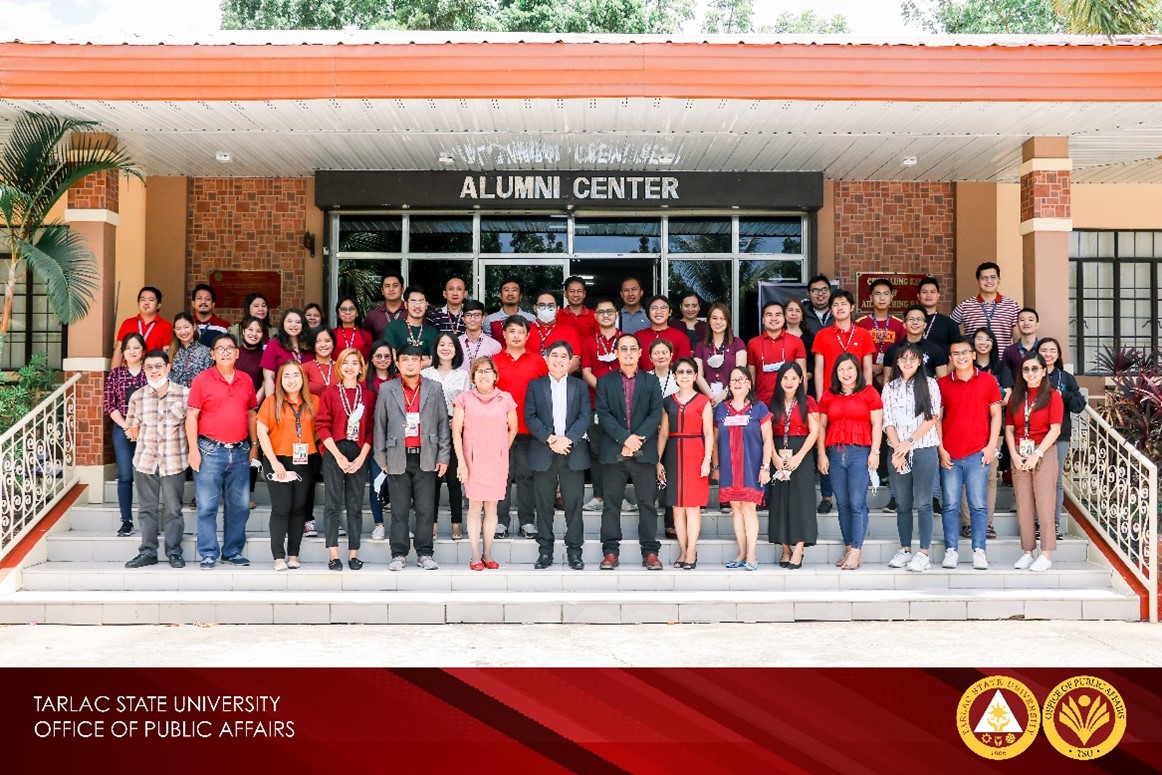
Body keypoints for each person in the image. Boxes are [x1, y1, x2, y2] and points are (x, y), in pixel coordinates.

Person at [373, 344, 451, 572]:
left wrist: (444, 456)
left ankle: (425, 553)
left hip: (426, 456)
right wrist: (381, 457)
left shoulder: (434, 388)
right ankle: (398, 554)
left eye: (414, 359)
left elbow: (442, 424)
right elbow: (379, 425)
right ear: (397, 364)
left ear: (422, 363)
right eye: (405, 359)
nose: (409, 363)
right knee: (399, 509)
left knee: (426, 509)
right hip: (396, 457)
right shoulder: (388, 389)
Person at [186, 334, 259, 570]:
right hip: (209, 450)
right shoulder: (202, 380)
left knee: (238, 506)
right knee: (207, 506)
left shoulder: (246, 380)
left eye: (230, 348)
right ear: (213, 354)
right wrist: (193, 450)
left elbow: (251, 414)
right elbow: (192, 416)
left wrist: (254, 446)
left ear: (237, 353)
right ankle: (208, 553)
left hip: (240, 451)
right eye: (221, 348)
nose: (226, 352)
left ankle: (232, 551)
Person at [594, 334, 664, 570]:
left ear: (640, 352)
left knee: (647, 503)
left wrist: (636, 441)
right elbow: (603, 414)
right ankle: (611, 552)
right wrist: (625, 439)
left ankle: (650, 552)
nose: (628, 353)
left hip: (644, 453)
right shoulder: (605, 382)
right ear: (616, 353)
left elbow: (655, 415)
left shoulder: (651, 382)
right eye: (623, 349)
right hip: (614, 451)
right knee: (611, 504)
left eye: (632, 348)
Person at [525, 342, 592, 570]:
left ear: (571, 361)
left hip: (573, 452)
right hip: (544, 451)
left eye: (564, 356)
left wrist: (567, 439)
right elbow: (530, 416)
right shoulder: (535, 385)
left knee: (574, 504)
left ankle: (575, 552)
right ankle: (545, 551)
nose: (559, 360)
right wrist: (552, 439)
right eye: (554, 355)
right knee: (543, 505)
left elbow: (585, 416)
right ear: (546, 358)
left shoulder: (579, 386)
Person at [938, 337, 1004, 571]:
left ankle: (979, 551)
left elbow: (996, 415)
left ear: (973, 354)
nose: (961, 357)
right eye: (956, 353)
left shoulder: (988, 381)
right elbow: (937, 418)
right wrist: (940, 448)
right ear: (950, 358)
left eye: (965, 352)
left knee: (978, 505)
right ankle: (951, 551)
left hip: (978, 453)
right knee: (950, 505)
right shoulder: (942, 384)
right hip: (951, 455)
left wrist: (991, 446)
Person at [123, 350, 189, 569]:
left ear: (168, 367)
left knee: (173, 509)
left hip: (174, 460)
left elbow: (193, 427)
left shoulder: (184, 394)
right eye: (149, 367)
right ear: (144, 370)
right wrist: (135, 432)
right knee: (146, 509)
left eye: (158, 366)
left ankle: (174, 552)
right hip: (145, 460)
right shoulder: (137, 396)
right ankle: (148, 552)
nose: (154, 371)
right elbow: (131, 429)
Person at [816, 354, 883, 570]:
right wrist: (822, 454)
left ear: (857, 370)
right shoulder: (829, 395)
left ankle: (856, 550)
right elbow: (822, 427)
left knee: (856, 502)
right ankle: (848, 548)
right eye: (841, 369)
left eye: (850, 368)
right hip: (835, 454)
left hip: (860, 452)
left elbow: (876, 424)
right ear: (836, 373)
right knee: (842, 504)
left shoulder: (869, 393)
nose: (846, 373)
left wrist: (875, 452)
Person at [881, 343, 943, 573]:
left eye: (913, 359)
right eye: (903, 358)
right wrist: (898, 449)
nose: (908, 362)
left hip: (923, 449)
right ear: (897, 362)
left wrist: (909, 443)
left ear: (919, 362)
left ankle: (923, 553)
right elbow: (887, 421)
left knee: (924, 502)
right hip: (897, 452)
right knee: (903, 503)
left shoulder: (930, 384)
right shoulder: (890, 388)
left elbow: (932, 417)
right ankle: (905, 549)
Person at [453, 356, 518, 570]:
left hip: (496, 460)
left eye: (488, 370)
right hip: (472, 460)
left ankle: (488, 553)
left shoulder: (505, 398)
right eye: (479, 371)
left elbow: (513, 428)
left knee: (491, 507)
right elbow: (456, 432)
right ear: (473, 376)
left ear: (495, 375)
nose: (484, 374)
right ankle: (474, 555)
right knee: (474, 507)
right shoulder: (464, 398)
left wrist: (501, 450)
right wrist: (461, 462)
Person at [256, 360, 318, 571]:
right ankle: (278, 557)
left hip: (305, 460)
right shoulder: (271, 402)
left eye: (296, 375)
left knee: (299, 509)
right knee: (281, 509)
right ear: (280, 380)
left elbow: (320, 430)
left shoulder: (314, 402)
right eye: (286, 376)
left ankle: (293, 554)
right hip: (278, 459)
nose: (292, 380)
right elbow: (261, 432)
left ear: (303, 378)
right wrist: (273, 463)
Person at [317, 348, 375, 571]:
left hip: (359, 451)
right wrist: (338, 456)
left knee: (355, 504)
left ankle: (353, 553)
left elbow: (370, 428)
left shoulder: (368, 395)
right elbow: (322, 425)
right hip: (334, 450)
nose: (350, 367)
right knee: (332, 503)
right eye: (345, 363)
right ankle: (333, 553)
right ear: (339, 367)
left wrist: (362, 457)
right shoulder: (330, 392)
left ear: (361, 367)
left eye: (355, 363)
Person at [1006, 352, 1064, 572]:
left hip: (1044, 452)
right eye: (1026, 369)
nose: (1030, 373)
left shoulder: (1052, 395)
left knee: (1045, 503)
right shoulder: (1016, 397)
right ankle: (1028, 552)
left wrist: (1037, 453)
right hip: (1020, 452)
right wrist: (1014, 454)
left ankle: (1046, 554)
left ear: (1044, 370)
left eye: (1035, 369)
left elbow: (1055, 429)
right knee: (1024, 504)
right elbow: (1010, 429)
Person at [579, 298, 636, 516]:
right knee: (597, 451)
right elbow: (585, 372)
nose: (605, 315)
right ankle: (599, 495)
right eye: (601, 312)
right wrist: (604, 391)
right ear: (595, 316)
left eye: (610, 311)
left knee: (620, 450)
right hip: (596, 403)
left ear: (616, 315)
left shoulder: (626, 340)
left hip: (624, 403)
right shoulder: (588, 341)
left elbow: (631, 368)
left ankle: (619, 496)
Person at [714, 367, 774, 571]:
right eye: (733, 379)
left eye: (742, 379)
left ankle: (752, 555)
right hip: (729, 467)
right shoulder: (721, 409)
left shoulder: (759, 408)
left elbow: (768, 440)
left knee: (749, 508)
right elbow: (713, 441)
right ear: (729, 385)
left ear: (749, 383)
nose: (738, 382)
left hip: (752, 466)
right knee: (736, 509)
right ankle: (741, 553)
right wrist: (715, 466)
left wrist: (766, 467)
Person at [493, 315, 549, 538]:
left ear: (527, 335)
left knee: (526, 476)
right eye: (512, 331)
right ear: (504, 334)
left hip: (529, 429)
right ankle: (500, 522)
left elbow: (546, 395)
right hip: (499, 429)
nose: (516, 336)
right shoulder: (493, 361)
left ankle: (527, 521)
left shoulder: (538, 361)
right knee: (501, 476)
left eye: (521, 332)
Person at [657, 357, 712, 569]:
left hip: (695, 452)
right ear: (675, 376)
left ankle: (691, 551)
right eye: (681, 372)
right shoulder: (668, 401)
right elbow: (662, 433)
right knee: (677, 507)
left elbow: (708, 432)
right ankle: (682, 549)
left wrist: (707, 460)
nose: (685, 375)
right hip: (673, 453)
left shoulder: (703, 401)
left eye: (689, 372)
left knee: (693, 507)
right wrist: (658, 461)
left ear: (696, 376)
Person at [767, 362, 819, 570]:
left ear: (800, 380)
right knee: (780, 500)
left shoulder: (808, 401)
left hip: (801, 452)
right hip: (778, 452)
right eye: (785, 378)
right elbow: (767, 434)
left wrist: (798, 457)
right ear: (780, 380)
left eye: (793, 378)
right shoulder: (772, 403)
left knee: (802, 500)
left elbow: (814, 432)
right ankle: (785, 547)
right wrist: (774, 457)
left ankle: (799, 546)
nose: (789, 382)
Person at [958, 326, 1008, 540]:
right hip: (966, 428)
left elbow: (1006, 398)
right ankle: (968, 523)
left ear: (993, 343)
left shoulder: (1001, 368)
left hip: (994, 430)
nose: (983, 343)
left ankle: (987, 524)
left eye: (988, 339)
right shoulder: (965, 365)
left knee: (989, 477)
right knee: (964, 477)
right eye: (979, 339)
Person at [422, 332, 471, 540]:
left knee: (453, 479)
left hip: (454, 428)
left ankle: (456, 524)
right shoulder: (426, 373)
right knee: (432, 479)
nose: (445, 348)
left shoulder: (463, 375)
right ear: (436, 348)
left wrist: (458, 421)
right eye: (441, 344)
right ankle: (431, 524)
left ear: (456, 349)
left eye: (450, 345)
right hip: (431, 429)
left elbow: (468, 404)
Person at [1038, 337, 1087, 538]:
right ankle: (1037, 523)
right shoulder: (1030, 372)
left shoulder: (1065, 378)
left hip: (1059, 436)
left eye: (1052, 350)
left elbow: (1078, 405)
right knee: (1037, 481)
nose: (1048, 354)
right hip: (1034, 436)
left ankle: (1053, 525)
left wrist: (1061, 394)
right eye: (1043, 350)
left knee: (1055, 482)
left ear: (1058, 354)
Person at [104, 333, 148, 536]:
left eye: (137, 348)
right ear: (123, 352)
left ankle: (150, 519)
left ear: (143, 351)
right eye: (129, 348)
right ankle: (127, 520)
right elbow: (109, 405)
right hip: (122, 429)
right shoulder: (115, 375)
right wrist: (127, 427)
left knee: (148, 475)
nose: (132, 351)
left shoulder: (149, 373)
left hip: (147, 430)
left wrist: (138, 427)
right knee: (125, 475)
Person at [812, 289, 875, 400]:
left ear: (852, 307)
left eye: (844, 304)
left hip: (858, 395)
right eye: (835, 305)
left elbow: (867, 369)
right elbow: (819, 369)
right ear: (831, 310)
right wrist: (819, 397)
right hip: (830, 395)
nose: (840, 308)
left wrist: (868, 396)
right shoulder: (821, 335)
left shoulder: (864, 334)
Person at [748, 301, 808, 406]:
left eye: (778, 314)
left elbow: (802, 374)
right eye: (769, 315)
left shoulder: (796, 342)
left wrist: (801, 401)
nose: (774, 318)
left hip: (789, 403)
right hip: (761, 403)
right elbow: (751, 377)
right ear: (763, 320)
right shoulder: (753, 343)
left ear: (784, 318)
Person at [951, 261, 1021, 349]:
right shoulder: (965, 306)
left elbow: (1017, 339)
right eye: (984, 278)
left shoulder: (1012, 306)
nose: (989, 281)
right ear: (977, 281)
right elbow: (949, 327)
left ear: (999, 280)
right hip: (974, 360)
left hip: (1002, 360)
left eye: (993, 277)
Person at [365, 342, 396, 540]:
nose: (383, 360)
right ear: (371, 358)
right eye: (378, 356)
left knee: (396, 483)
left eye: (386, 356)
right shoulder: (365, 382)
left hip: (396, 439)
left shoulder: (399, 380)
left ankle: (399, 525)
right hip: (373, 438)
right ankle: (379, 524)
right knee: (377, 481)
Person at [855, 278, 906, 389]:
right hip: (864, 379)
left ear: (891, 297)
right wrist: (870, 367)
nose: (882, 298)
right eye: (877, 294)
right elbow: (855, 352)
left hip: (892, 379)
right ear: (871, 298)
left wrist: (882, 367)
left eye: (886, 294)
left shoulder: (900, 324)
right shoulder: (860, 323)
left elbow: (903, 352)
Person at [695, 302, 746, 407]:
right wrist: (713, 398)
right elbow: (698, 376)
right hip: (709, 401)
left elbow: (741, 372)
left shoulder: (737, 343)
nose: (718, 322)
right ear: (708, 321)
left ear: (728, 322)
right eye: (714, 318)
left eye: (722, 319)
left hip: (734, 399)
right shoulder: (700, 346)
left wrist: (723, 395)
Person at [883, 305, 950, 383]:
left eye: (919, 319)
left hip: (926, 393)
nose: (915, 322)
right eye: (911, 319)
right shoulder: (892, 350)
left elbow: (943, 382)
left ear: (925, 325)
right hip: (898, 394)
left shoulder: (936, 350)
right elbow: (887, 380)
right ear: (904, 324)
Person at [111, 286, 171, 368]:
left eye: (151, 300)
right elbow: (119, 350)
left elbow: (166, 353)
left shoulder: (166, 326)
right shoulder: (127, 323)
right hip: (129, 371)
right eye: (143, 299)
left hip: (153, 371)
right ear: (138, 303)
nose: (146, 303)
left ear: (158, 305)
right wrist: (113, 374)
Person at [384, 285, 440, 364]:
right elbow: (391, 356)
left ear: (426, 305)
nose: (417, 306)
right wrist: (423, 358)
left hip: (425, 376)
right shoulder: (393, 327)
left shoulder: (432, 332)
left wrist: (403, 358)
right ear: (406, 305)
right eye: (413, 301)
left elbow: (433, 361)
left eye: (421, 301)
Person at [261, 308, 311, 397]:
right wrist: (271, 402)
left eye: (298, 322)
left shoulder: (310, 346)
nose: (293, 325)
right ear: (283, 324)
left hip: (307, 398)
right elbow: (269, 378)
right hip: (281, 398)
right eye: (289, 321)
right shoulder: (273, 345)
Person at [528, 291, 582, 369]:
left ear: (557, 309)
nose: (546, 309)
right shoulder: (525, 330)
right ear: (535, 308)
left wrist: (555, 377)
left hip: (559, 379)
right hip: (530, 378)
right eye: (542, 305)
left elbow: (575, 361)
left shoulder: (569, 331)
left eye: (550, 306)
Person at [635, 295, 692, 360]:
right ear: (648, 313)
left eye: (663, 308)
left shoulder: (680, 337)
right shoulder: (638, 336)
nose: (659, 312)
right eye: (654, 308)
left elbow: (684, 365)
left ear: (670, 312)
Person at [168, 312, 213, 388]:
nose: (183, 332)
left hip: (199, 396)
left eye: (186, 327)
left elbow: (209, 380)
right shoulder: (169, 353)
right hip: (176, 397)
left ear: (194, 327)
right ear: (174, 331)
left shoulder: (206, 352)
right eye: (178, 328)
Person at [917, 276, 960, 355]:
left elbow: (957, 351)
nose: (928, 295)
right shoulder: (911, 322)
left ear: (938, 295)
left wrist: (947, 368)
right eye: (924, 292)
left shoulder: (949, 323)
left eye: (932, 292)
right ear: (918, 296)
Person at [485, 276, 535, 341]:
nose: (510, 294)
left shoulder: (531, 319)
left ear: (520, 296)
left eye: (514, 290)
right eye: (506, 290)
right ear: (500, 295)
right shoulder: (490, 320)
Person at [363, 271, 406, 343]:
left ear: (402, 289)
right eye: (387, 286)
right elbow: (367, 343)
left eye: (395, 285)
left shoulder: (411, 312)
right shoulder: (373, 315)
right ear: (382, 291)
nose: (391, 289)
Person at [1001, 307, 1041, 382]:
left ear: (1037, 325)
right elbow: (1005, 378)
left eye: (1031, 320)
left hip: (1041, 392)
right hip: (1016, 392)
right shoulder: (1009, 351)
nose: (1026, 323)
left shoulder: (1043, 348)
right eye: (1022, 320)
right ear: (1017, 325)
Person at [458, 299, 502, 365]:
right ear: (463, 319)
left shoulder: (494, 346)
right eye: (468, 315)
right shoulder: (455, 343)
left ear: (483, 318)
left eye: (477, 315)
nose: (472, 319)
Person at [190, 283, 230, 348]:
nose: (203, 302)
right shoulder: (187, 324)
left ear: (213, 304)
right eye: (199, 298)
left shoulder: (224, 326)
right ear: (193, 303)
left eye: (207, 299)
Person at [800, 274, 834, 346]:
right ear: (808, 293)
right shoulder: (801, 314)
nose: (820, 294)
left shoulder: (839, 313)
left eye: (824, 290)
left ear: (830, 291)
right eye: (815, 291)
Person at [303, 326, 338, 396]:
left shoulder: (341, 367)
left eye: (327, 341)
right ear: (313, 345)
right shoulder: (304, 368)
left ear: (333, 343)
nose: (323, 345)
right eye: (318, 342)